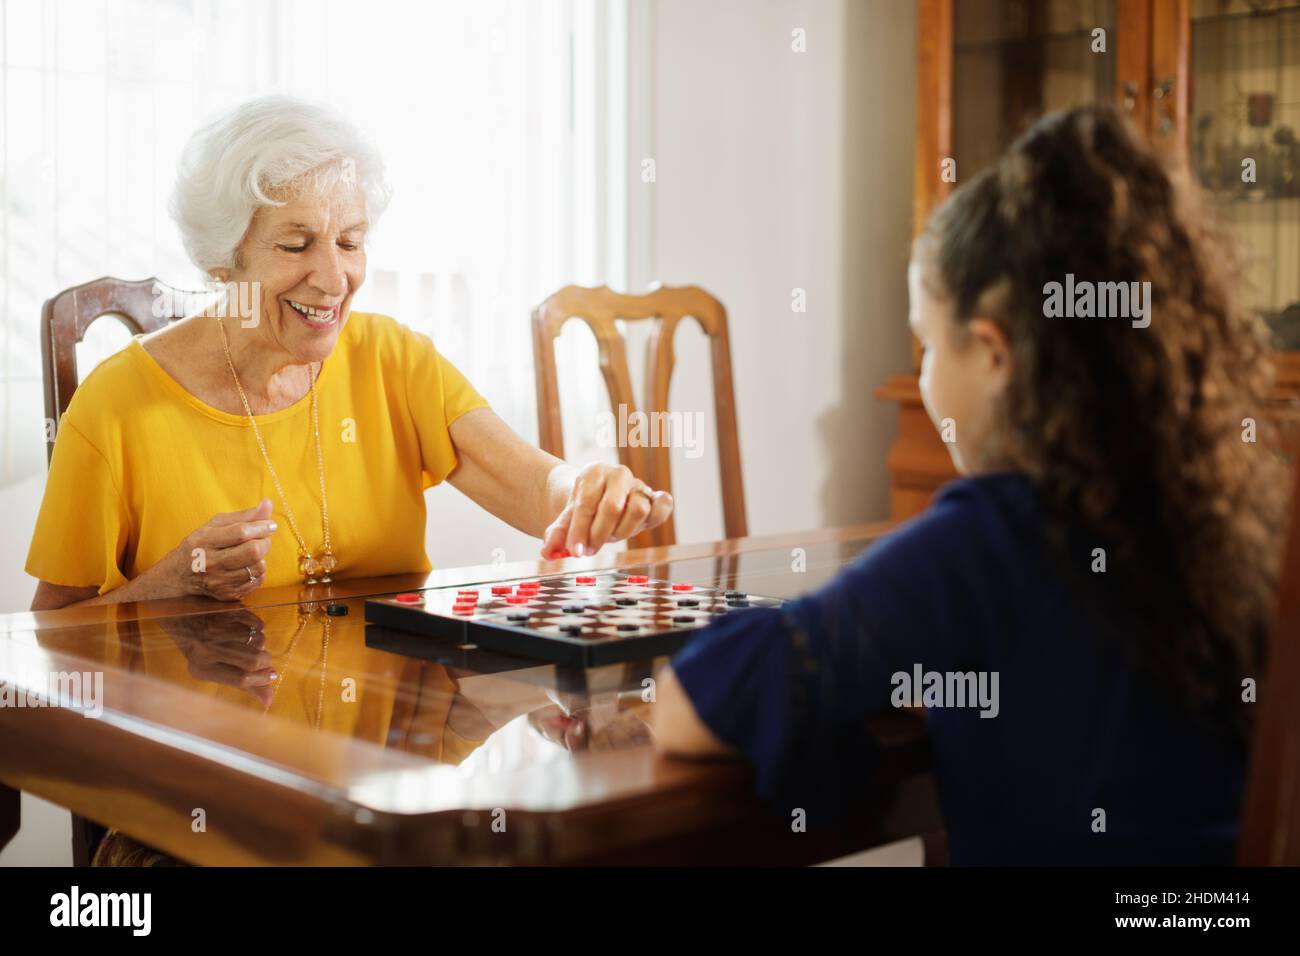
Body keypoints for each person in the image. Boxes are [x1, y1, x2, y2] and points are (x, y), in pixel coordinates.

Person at [652, 104, 1288, 865]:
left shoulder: (991, 534)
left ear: (992, 353)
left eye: (925, 342)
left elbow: (692, 708)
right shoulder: (1221, 518)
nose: (921, 374)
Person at [26, 95, 672, 609]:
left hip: (390, 733)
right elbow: (46, 643)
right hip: (208, 744)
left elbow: (536, 488)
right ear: (223, 260)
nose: (334, 279)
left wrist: (589, 490)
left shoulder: (391, 356)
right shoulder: (118, 403)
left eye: (350, 241)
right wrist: (171, 584)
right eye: (296, 245)